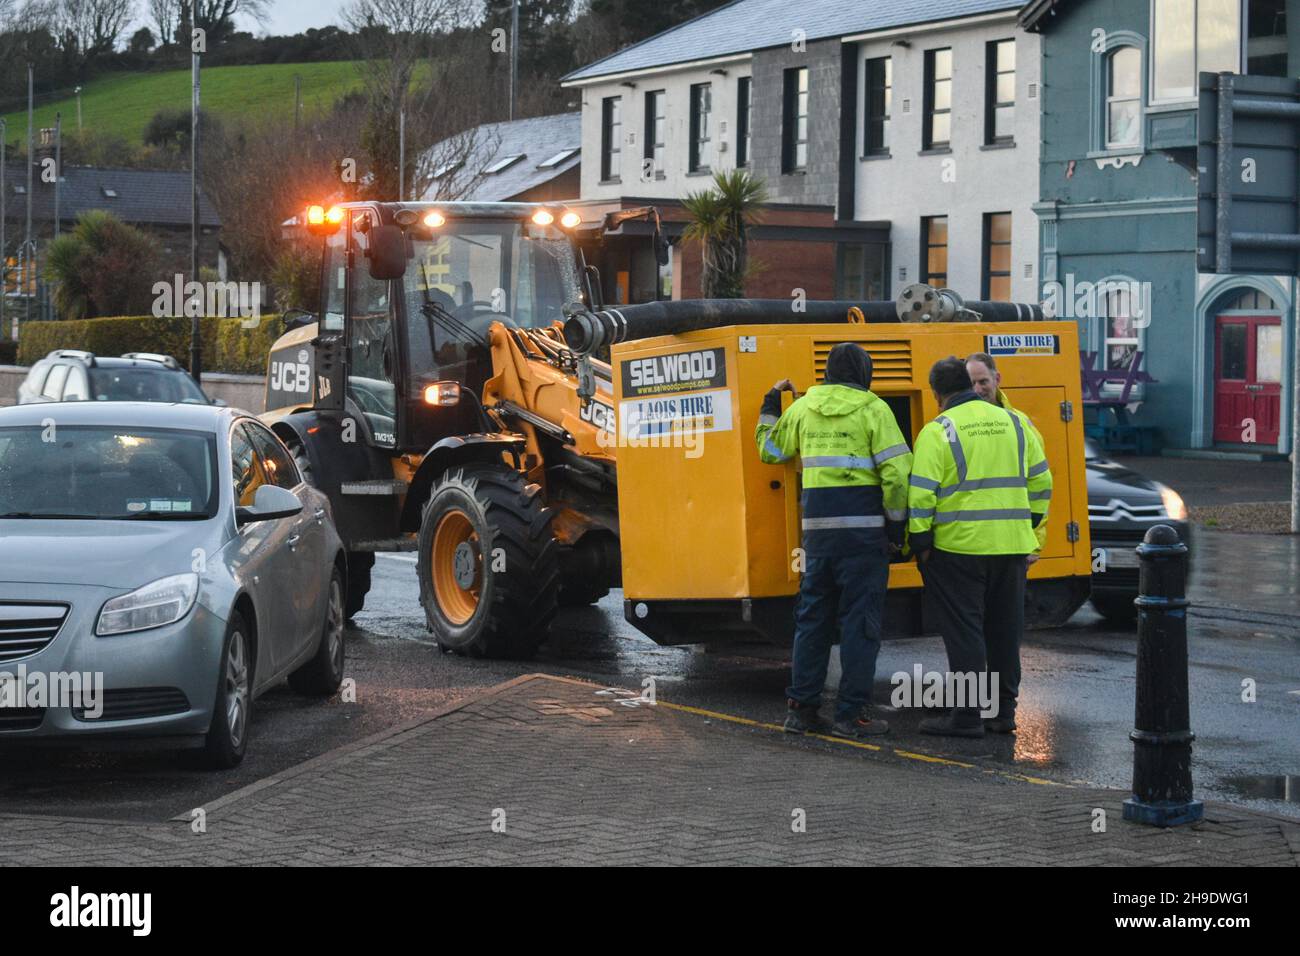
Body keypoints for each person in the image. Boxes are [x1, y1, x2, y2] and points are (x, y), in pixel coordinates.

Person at [756, 343, 911, 739]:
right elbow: (897, 477)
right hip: (863, 539)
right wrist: (896, 528)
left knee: (812, 622)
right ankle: (851, 715)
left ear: (827, 372)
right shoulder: (876, 409)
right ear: (865, 373)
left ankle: (801, 711)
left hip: (818, 540)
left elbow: (770, 450)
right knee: (860, 625)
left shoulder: (804, 408)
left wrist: (770, 402)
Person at [907, 357, 1052, 737]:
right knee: (1005, 632)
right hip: (1013, 548)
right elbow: (1042, 483)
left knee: (965, 632)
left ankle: (967, 717)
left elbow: (921, 494)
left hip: (958, 550)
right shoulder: (1017, 422)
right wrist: (1029, 525)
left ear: (936, 393)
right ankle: (1003, 714)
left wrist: (920, 543)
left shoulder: (939, 430)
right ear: (971, 386)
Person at [965, 352, 1048, 563]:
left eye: (983, 381)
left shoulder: (1021, 424)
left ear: (997, 379)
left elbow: (1039, 486)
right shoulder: (957, 424)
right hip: (972, 546)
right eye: (971, 383)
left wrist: (1035, 544)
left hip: (1013, 547)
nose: (977, 389)